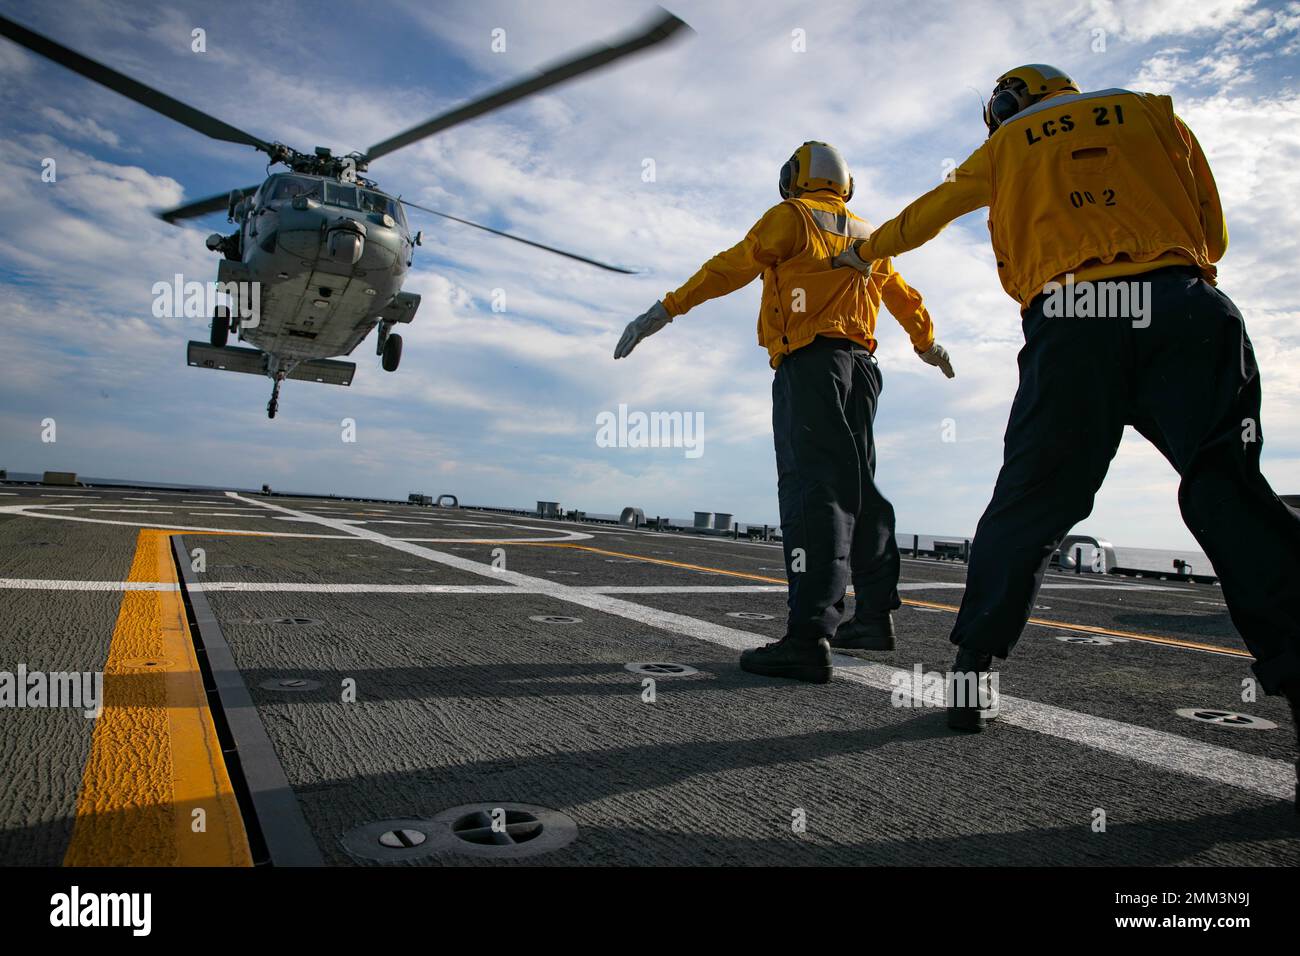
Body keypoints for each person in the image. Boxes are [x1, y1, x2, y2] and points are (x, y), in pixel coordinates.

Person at [835, 65, 1300, 773]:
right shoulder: (1150, 112)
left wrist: (863, 251)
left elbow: (927, 214)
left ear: (1004, 104)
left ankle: (972, 669)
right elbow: (1215, 230)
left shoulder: (1009, 140)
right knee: (1230, 495)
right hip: (1185, 308)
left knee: (1032, 498)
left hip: (1073, 317)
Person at [615, 141, 955, 682]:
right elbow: (903, 296)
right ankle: (871, 618)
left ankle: (807, 638)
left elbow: (731, 266)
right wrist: (927, 344)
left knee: (812, 490)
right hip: (863, 370)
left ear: (794, 177)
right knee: (858, 486)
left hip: (811, 366)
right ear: (846, 183)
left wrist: (667, 308)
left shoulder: (792, 217)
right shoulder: (868, 233)